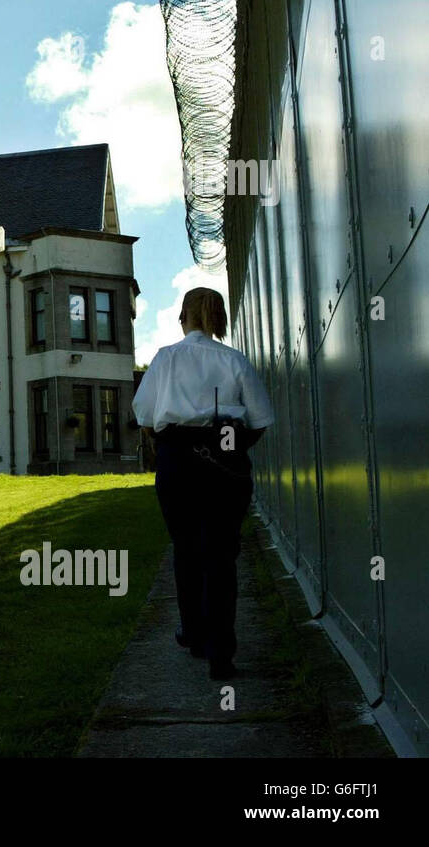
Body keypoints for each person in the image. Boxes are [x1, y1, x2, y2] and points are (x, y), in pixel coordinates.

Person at [131, 287, 273, 681]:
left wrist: (177, 442)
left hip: (177, 459)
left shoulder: (166, 359)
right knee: (221, 557)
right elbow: (259, 420)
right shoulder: (235, 360)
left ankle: (194, 632)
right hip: (225, 460)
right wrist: (229, 449)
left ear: (183, 317)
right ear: (219, 318)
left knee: (187, 549)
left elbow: (144, 414)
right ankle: (221, 655)